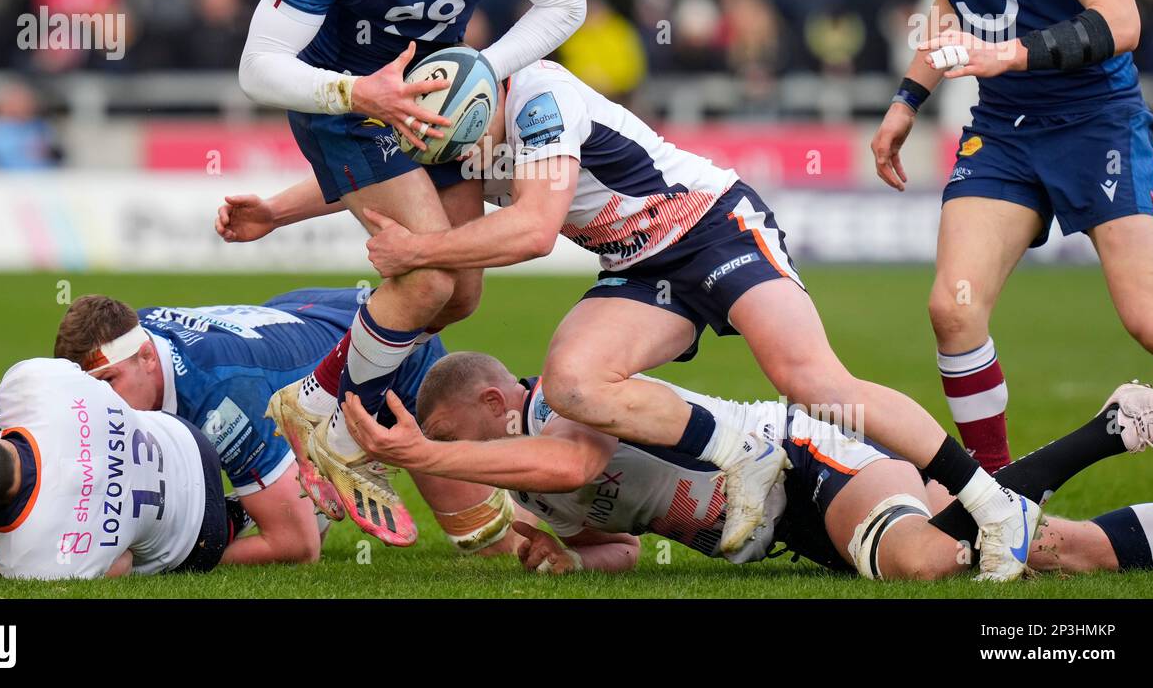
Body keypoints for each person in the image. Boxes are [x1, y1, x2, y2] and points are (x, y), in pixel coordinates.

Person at [235, 58, 1040, 580]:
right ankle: (738, 454)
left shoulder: (540, 98)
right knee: (575, 384)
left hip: (713, 225)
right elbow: (382, 174)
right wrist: (277, 211)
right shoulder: (458, 119)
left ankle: (990, 495)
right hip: (641, 265)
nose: (446, 154)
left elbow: (534, 230)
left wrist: (415, 248)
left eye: (452, 140)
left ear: (484, 102)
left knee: (812, 379)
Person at [235, 0, 586, 543]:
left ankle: (350, 385)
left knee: (455, 299)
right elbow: (258, 67)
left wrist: (482, 69)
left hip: (439, 103)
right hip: (350, 107)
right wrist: (359, 91)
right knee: (424, 273)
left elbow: (566, 4)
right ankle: (324, 413)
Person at [870, 0, 1153, 476]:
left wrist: (1014, 53)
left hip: (1095, 122)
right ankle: (997, 492)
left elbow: (1122, 23)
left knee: (1152, 322)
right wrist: (909, 97)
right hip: (1004, 130)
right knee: (953, 309)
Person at [342, 351, 1153, 580]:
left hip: (799, 461)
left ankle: (1110, 426)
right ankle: (1117, 441)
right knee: (1060, 552)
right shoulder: (533, 477)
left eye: (465, 444)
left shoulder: (568, 396)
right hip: (791, 533)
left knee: (926, 562)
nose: (469, 468)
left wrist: (421, 454)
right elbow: (623, 546)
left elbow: (573, 465)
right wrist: (554, 554)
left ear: (495, 404)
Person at [52, 288, 518, 557]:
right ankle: (312, 469)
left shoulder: (221, 397)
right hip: (305, 323)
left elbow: (294, 548)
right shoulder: (138, 335)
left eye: (109, 381)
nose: (99, 401)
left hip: (385, 357)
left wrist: (166, 560)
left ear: (148, 356)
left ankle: (562, 452)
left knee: (487, 537)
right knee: (279, 493)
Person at [0, 357, 229, 580]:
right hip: (185, 438)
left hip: (199, 539)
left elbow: (120, 563)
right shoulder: (28, 382)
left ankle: (234, 517)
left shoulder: (28, 559)